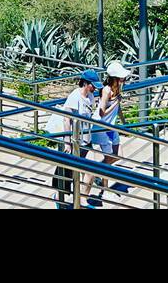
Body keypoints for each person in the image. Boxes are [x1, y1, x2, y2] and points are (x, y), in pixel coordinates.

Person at [88, 60, 133, 205]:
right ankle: (104, 188)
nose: (124, 79)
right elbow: (101, 112)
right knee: (109, 158)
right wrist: (116, 102)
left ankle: (97, 172)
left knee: (118, 154)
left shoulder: (118, 87)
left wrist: (124, 124)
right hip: (101, 126)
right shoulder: (106, 90)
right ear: (115, 77)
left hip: (111, 126)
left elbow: (117, 108)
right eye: (121, 77)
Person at [54, 71, 100, 208]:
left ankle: (82, 199)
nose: (94, 88)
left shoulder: (90, 96)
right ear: (85, 83)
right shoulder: (75, 96)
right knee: (68, 171)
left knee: (92, 169)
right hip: (75, 141)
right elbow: (66, 118)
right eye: (93, 85)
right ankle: (59, 197)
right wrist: (67, 141)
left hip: (86, 140)